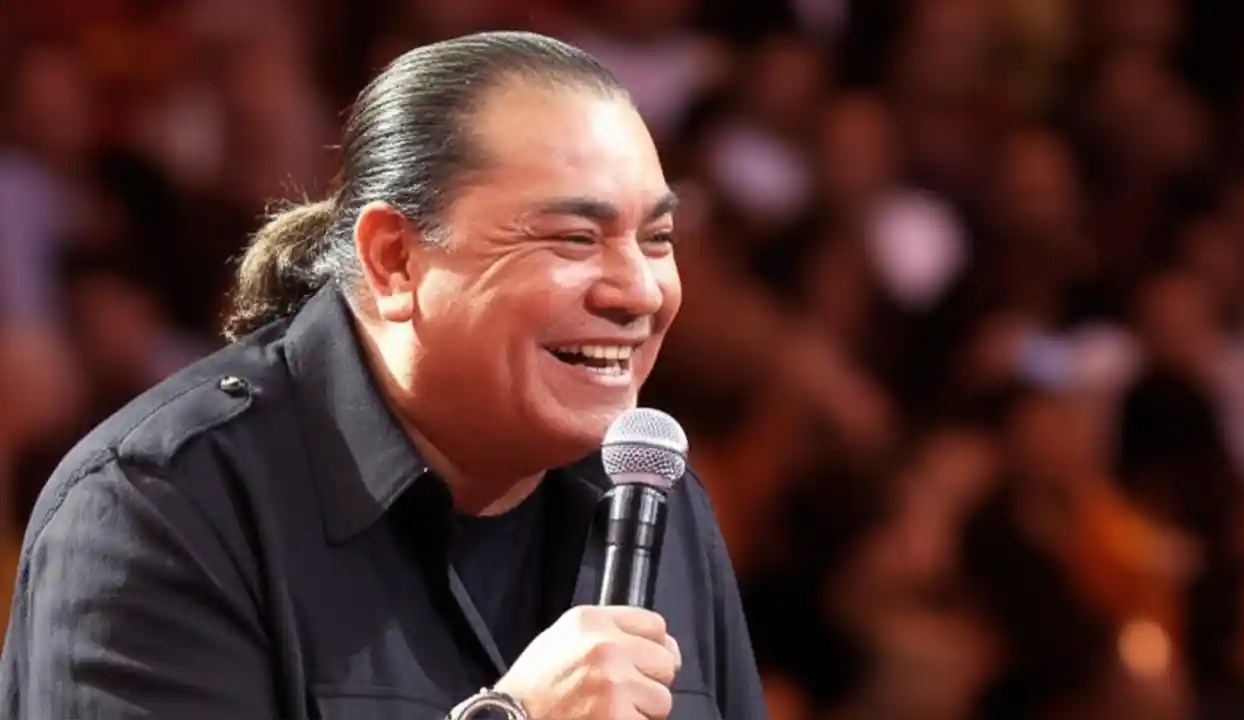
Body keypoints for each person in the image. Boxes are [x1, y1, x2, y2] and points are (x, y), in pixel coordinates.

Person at [0, 31, 766, 720]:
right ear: (394, 260)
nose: (638, 291)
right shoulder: (159, 513)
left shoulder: (658, 505)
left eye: (658, 237)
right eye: (573, 238)